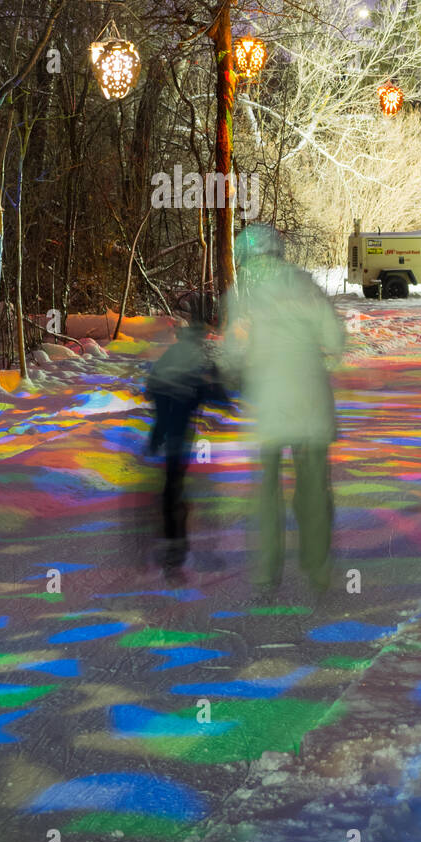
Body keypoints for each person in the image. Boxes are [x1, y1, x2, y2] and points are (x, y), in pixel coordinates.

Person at [219, 224, 344, 594]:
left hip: (270, 407)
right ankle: (318, 566)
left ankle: (266, 568)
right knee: (313, 488)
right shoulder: (305, 286)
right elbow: (335, 340)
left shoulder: (243, 297)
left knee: (266, 491)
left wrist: (235, 373)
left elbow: (232, 352)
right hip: (310, 403)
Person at [145, 306, 225, 573]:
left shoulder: (176, 354)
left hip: (167, 426)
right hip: (177, 429)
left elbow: (153, 384)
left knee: (171, 483)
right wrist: (221, 396)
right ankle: (175, 543)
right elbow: (215, 392)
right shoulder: (200, 360)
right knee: (173, 483)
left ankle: (173, 538)